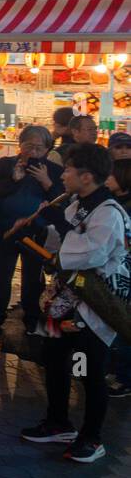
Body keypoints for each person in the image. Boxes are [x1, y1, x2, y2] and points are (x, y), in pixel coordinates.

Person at [19, 144, 128, 462]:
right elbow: (62, 240)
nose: (62, 174)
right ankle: (58, 422)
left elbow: (93, 252)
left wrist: (61, 240)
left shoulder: (108, 211)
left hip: (94, 305)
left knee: (89, 371)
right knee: (54, 357)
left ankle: (92, 438)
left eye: (67, 170)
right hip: (66, 301)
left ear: (87, 176)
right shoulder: (78, 202)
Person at [0, 125, 63, 334]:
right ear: (20, 145)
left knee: (32, 276)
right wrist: (14, 180)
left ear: (47, 149)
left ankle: (31, 317)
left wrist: (47, 182)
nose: (33, 152)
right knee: (0, 274)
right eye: (28, 146)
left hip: (37, 232)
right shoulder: (5, 164)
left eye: (39, 147)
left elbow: (62, 200)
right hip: (5, 229)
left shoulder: (54, 171)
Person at [105, 159, 131, 399]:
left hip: (123, 274)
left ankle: (125, 378)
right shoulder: (113, 203)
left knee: (124, 324)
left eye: (111, 175)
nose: (107, 178)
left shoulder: (121, 208)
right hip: (117, 273)